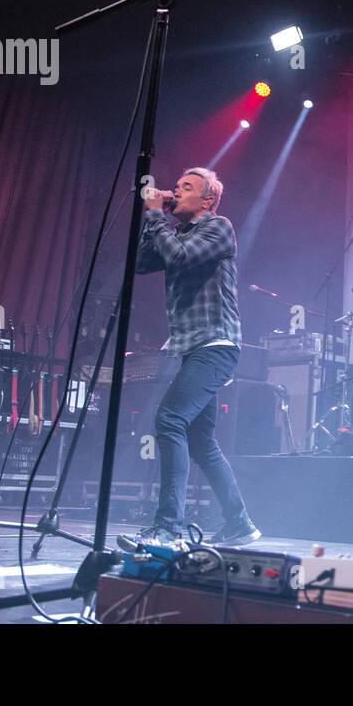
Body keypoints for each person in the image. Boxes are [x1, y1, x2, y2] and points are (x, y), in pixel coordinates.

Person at [118, 167, 260, 550]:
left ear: (208, 200)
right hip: (195, 348)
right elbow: (144, 262)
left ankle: (167, 529)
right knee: (201, 442)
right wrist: (155, 214)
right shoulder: (179, 232)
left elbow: (178, 258)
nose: (175, 191)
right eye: (176, 186)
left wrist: (154, 214)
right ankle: (240, 523)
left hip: (216, 345)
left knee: (169, 419)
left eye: (185, 187)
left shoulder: (218, 228)